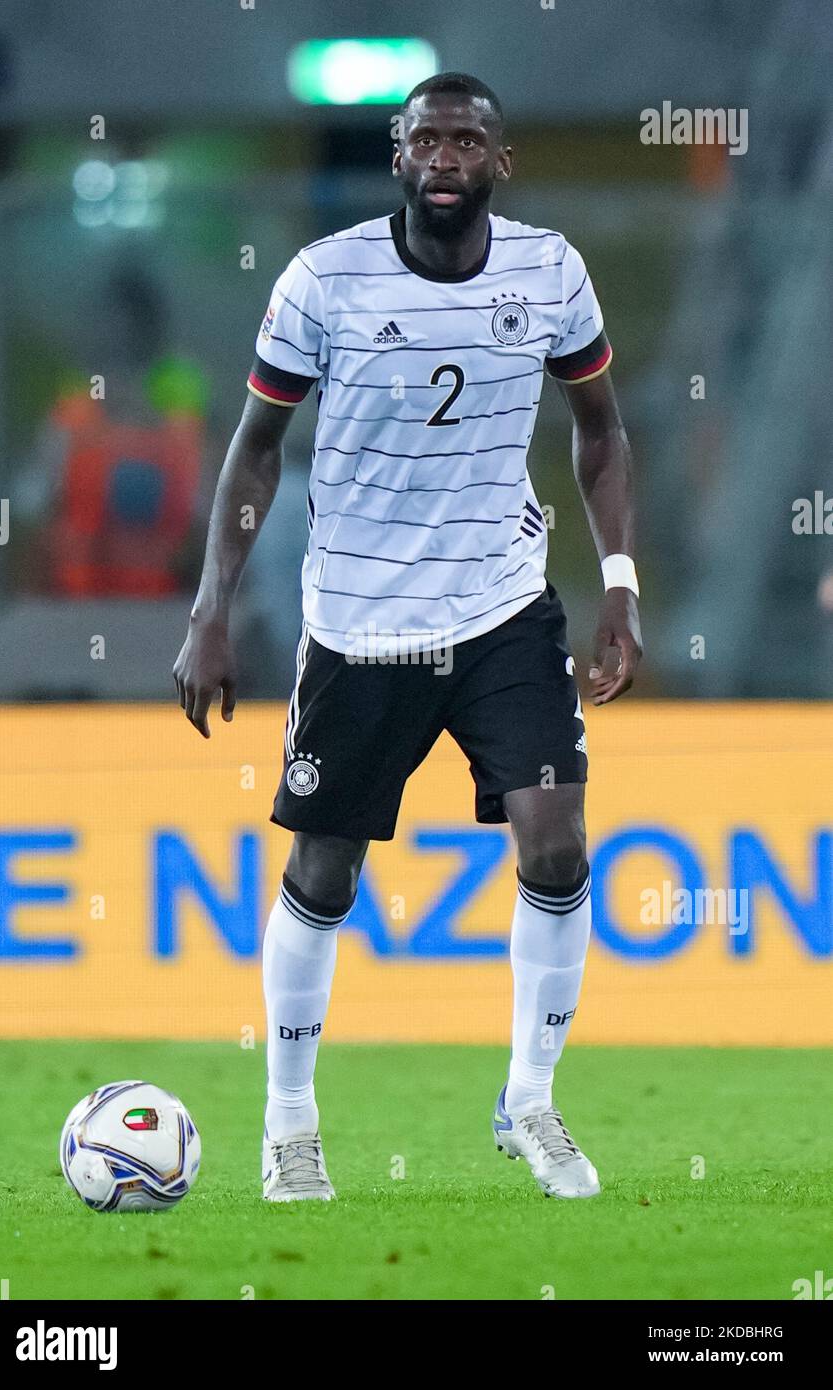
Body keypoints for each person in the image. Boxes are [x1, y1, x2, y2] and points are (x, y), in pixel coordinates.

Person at [173, 72, 642, 1203]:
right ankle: (291, 1124)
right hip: (360, 625)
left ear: (501, 162)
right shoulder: (322, 281)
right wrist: (210, 607)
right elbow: (255, 447)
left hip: (500, 612)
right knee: (324, 871)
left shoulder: (551, 272)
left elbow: (600, 428)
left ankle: (529, 1099)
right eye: (424, 138)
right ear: (396, 157)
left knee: (558, 844)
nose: (443, 155)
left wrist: (619, 583)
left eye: (466, 138)